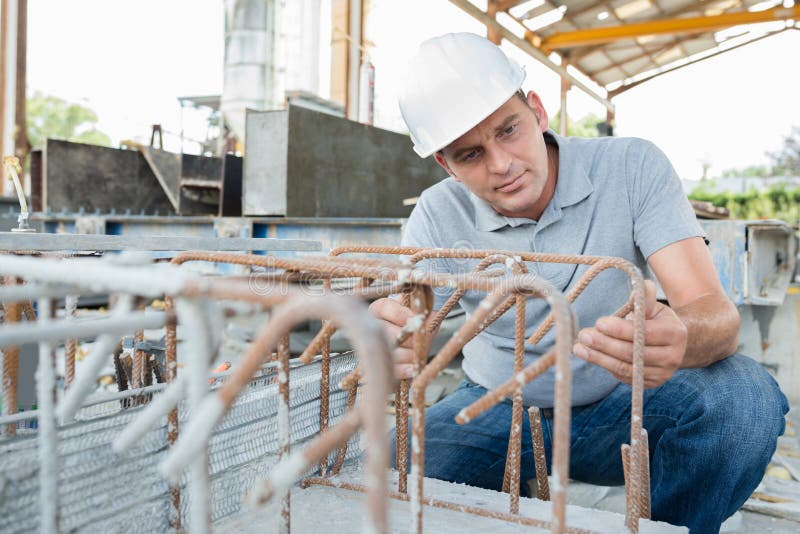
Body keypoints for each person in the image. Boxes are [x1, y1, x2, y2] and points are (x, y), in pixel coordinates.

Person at [368, 32, 788, 533]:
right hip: (494, 407)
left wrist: (680, 336)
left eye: (508, 131)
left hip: (623, 406)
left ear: (539, 113)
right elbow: (401, 319)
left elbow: (714, 314)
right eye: (470, 155)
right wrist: (385, 341)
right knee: (393, 475)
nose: (501, 165)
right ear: (446, 165)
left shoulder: (631, 166)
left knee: (744, 400)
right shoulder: (438, 215)